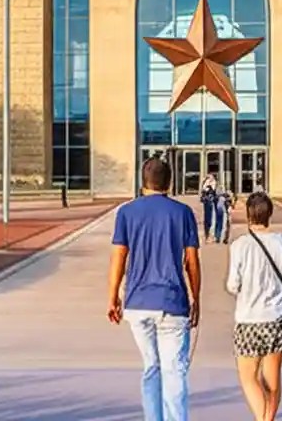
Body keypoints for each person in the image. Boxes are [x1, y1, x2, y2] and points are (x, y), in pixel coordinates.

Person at [108, 157, 202, 421]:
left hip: (137, 303)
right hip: (172, 302)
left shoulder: (126, 213)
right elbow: (192, 261)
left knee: (151, 367)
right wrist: (196, 298)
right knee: (174, 371)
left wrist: (113, 296)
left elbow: (119, 257)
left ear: (142, 182)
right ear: (169, 182)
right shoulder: (182, 213)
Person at [226, 192, 282, 421]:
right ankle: (268, 418)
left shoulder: (240, 246)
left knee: (249, 377)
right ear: (270, 214)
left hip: (248, 317)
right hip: (277, 316)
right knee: (272, 379)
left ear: (248, 215)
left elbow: (232, 285)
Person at [200, 172, 219, 244]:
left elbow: (214, 191)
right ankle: (207, 235)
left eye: (210, 176)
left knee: (212, 218)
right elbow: (203, 190)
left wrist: (209, 187)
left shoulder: (215, 183)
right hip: (207, 202)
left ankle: (212, 236)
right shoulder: (206, 182)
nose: (209, 177)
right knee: (207, 218)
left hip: (212, 202)